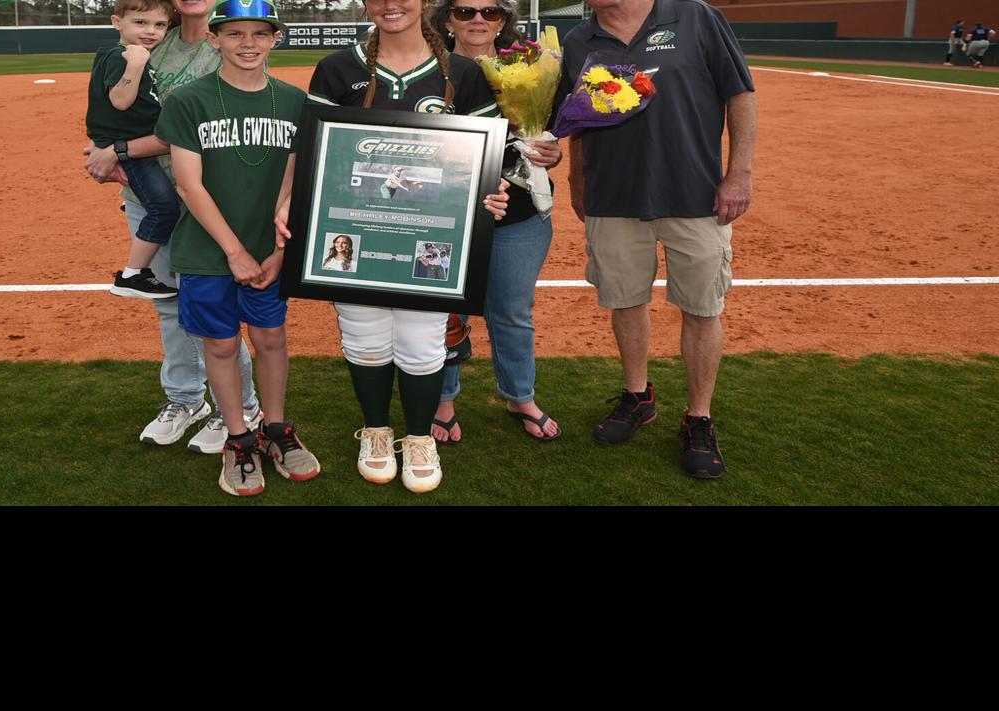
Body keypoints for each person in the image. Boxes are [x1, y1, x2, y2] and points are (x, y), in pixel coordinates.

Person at [304, 0, 513, 492]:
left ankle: (419, 438)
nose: (389, 4)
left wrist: (494, 188)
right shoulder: (337, 68)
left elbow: (490, 153)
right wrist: (293, 201)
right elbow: (314, 148)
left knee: (423, 341)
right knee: (364, 336)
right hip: (356, 225)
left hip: (433, 230)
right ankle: (376, 432)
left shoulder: (463, 72)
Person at [560, 0, 755, 478]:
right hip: (613, 195)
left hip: (696, 193)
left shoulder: (695, 16)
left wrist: (739, 173)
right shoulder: (578, 41)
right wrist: (577, 181)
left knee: (702, 308)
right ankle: (637, 396)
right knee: (625, 301)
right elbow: (578, 119)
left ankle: (699, 417)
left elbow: (739, 94)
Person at [83, 0, 262, 454]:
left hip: (206, 198)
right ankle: (185, 399)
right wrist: (105, 149)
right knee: (167, 304)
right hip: (148, 195)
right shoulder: (149, 42)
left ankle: (240, 407)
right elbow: (114, 109)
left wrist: (117, 150)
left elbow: (200, 128)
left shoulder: (227, 46)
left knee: (209, 306)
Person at [155, 0, 317, 497]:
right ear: (214, 38)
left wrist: (280, 249)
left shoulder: (294, 101)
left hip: (269, 248)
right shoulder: (189, 100)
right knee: (222, 345)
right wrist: (233, 251)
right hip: (208, 249)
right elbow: (189, 185)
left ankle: (275, 429)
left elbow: (294, 182)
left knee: (270, 338)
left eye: (260, 33)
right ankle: (238, 439)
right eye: (235, 33)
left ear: (275, 39)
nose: (248, 44)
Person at [426, 0, 563, 443]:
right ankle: (443, 399)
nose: (478, 20)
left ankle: (520, 395)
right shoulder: (429, 69)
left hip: (518, 212)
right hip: (444, 213)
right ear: (448, 19)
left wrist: (551, 151)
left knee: (512, 311)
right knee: (442, 310)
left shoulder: (529, 66)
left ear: (504, 20)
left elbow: (546, 136)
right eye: (465, 12)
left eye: (490, 12)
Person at [88, 0, 182, 301]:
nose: (150, 31)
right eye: (140, 23)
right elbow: (120, 100)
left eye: (159, 25)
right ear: (117, 23)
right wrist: (137, 62)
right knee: (164, 209)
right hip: (132, 147)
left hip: (132, 142)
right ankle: (133, 274)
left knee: (159, 199)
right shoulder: (123, 56)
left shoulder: (124, 53)